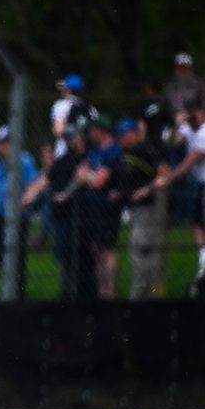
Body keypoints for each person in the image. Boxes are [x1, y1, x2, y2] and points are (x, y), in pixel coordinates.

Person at [154, 97, 205, 285]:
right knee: (197, 221)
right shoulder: (187, 127)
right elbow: (171, 142)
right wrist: (177, 125)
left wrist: (169, 178)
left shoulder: (204, 132)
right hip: (200, 183)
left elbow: (190, 161)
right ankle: (203, 262)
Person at [116, 118, 169, 299]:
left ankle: (143, 294)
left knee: (142, 251)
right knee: (144, 251)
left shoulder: (145, 151)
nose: (121, 138)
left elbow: (163, 175)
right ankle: (149, 293)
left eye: (124, 134)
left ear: (133, 133)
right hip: (137, 210)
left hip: (148, 209)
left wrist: (146, 190)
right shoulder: (126, 153)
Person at [48, 126, 95, 300]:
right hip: (62, 217)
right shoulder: (61, 161)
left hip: (82, 216)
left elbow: (82, 179)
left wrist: (65, 195)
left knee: (84, 258)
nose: (69, 142)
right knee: (65, 258)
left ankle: (86, 293)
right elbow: (49, 178)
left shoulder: (87, 159)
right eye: (66, 139)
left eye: (72, 138)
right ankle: (67, 291)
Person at [0, 125, 40, 300]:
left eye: (6, 143)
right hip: (2, 216)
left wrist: (20, 205)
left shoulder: (24, 160)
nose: (3, 146)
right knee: (2, 255)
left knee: (18, 257)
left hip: (17, 217)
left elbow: (32, 187)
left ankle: (18, 294)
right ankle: (7, 290)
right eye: (1, 143)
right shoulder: (1, 163)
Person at [79, 116, 123, 299]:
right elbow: (80, 173)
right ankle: (101, 291)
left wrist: (88, 177)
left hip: (107, 207)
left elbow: (98, 181)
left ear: (100, 130)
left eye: (92, 130)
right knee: (96, 249)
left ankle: (110, 291)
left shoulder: (113, 152)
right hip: (94, 207)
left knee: (107, 248)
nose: (89, 134)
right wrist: (90, 176)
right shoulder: (95, 152)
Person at [51, 74, 85, 159]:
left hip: (63, 152)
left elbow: (58, 130)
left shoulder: (61, 105)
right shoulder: (90, 108)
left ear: (69, 90)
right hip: (83, 155)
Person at [163, 53, 205, 117]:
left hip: (196, 121)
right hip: (176, 121)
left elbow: (204, 106)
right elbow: (166, 108)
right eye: (180, 67)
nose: (182, 70)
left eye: (185, 67)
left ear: (190, 69)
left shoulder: (199, 86)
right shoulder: (169, 88)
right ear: (176, 69)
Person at [138, 77, 171, 158]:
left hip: (150, 140)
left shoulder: (145, 103)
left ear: (148, 88)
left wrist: (142, 141)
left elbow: (142, 124)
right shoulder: (165, 102)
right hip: (163, 140)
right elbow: (170, 123)